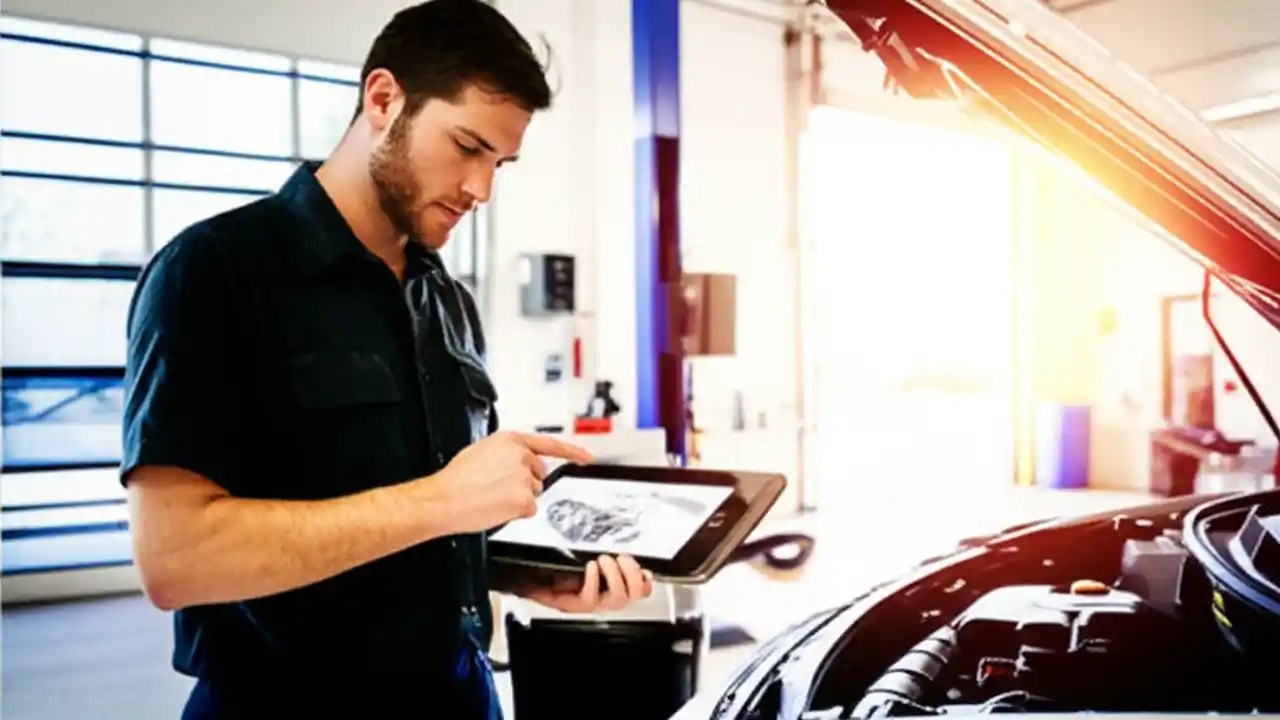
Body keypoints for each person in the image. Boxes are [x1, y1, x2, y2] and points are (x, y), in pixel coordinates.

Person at [120, 2, 652, 717]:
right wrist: (442, 500)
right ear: (383, 99)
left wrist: (529, 573)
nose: (481, 188)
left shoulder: (448, 301)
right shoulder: (213, 273)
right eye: (467, 146)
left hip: (461, 694)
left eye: (500, 161)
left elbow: (431, 535)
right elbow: (176, 560)